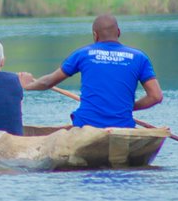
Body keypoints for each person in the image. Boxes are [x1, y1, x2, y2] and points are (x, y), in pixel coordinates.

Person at [17, 13, 162, 128]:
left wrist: (27, 85)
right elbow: (156, 96)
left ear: (95, 35)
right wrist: (128, 108)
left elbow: (48, 82)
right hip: (123, 125)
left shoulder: (83, 54)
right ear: (118, 32)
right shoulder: (139, 58)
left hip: (86, 126)